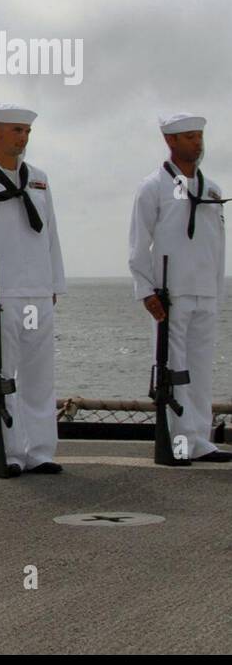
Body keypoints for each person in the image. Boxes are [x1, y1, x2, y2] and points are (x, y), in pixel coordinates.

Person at [0, 103, 66, 476]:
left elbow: (50, 234)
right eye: (16, 131)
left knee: (40, 376)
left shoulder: (39, 179)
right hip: (2, 294)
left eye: (27, 132)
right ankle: (12, 452)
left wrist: (54, 283)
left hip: (37, 291)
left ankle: (41, 451)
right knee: (3, 377)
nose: (22, 138)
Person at [128, 112, 229, 464]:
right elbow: (139, 243)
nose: (197, 143)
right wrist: (145, 289)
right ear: (171, 141)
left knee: (200, 370)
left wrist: (218, 292)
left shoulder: (211, 189)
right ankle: (178, 441)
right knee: (174, 370)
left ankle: (200, 439)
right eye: (189, 137)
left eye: (199, 136)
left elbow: (218, 246)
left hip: (205, 292)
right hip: (171, 292)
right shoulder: (153, 187)